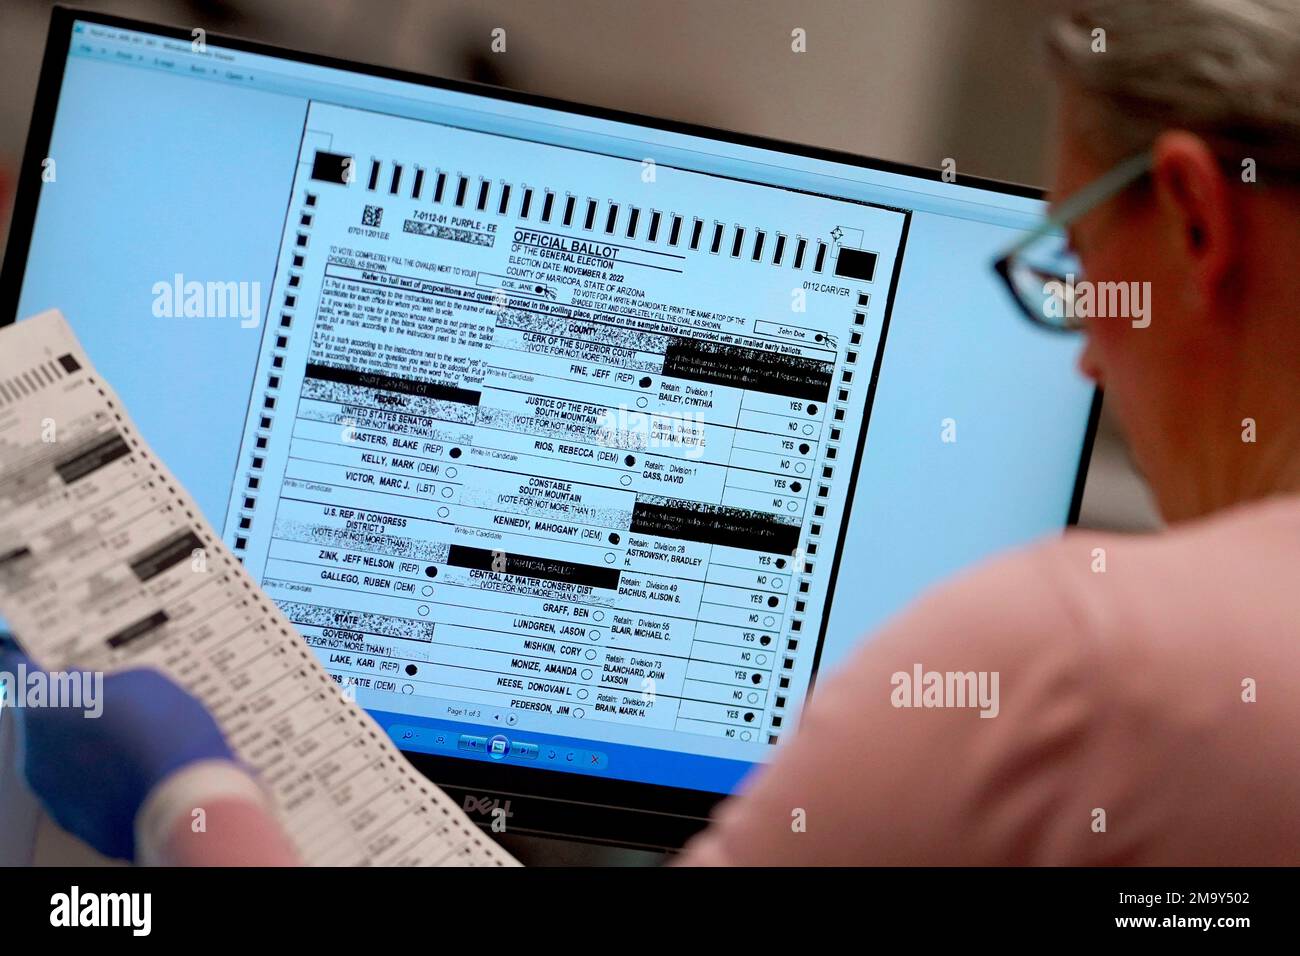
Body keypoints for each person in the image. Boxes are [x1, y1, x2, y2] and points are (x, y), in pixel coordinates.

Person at [3, 0, 1299, 866]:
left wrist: (195, 803)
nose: (1081, 347)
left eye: (1072, 265)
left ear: (1191, 218)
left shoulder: (1074, 662)